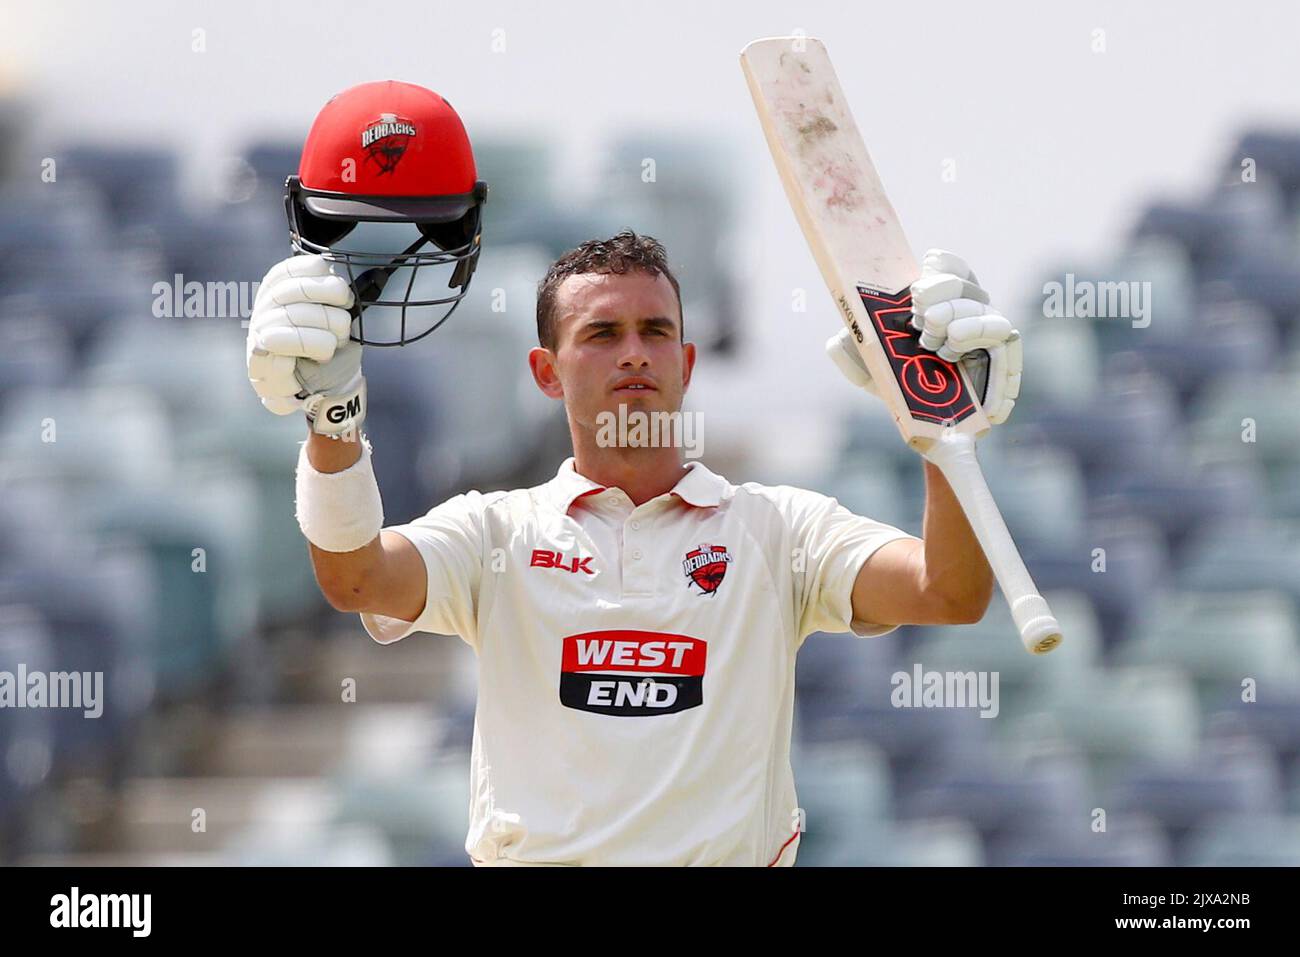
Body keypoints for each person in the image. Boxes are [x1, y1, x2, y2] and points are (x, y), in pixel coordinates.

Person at [247, 225, 1023, 866]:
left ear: (686, 364)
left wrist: (940, 430)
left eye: (656, 331)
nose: (633, 354)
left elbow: (947, 592)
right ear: (545, 373)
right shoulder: (495, 530)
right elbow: (356, 578)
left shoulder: (778, 528)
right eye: (601, 334)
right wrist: (334, 427)